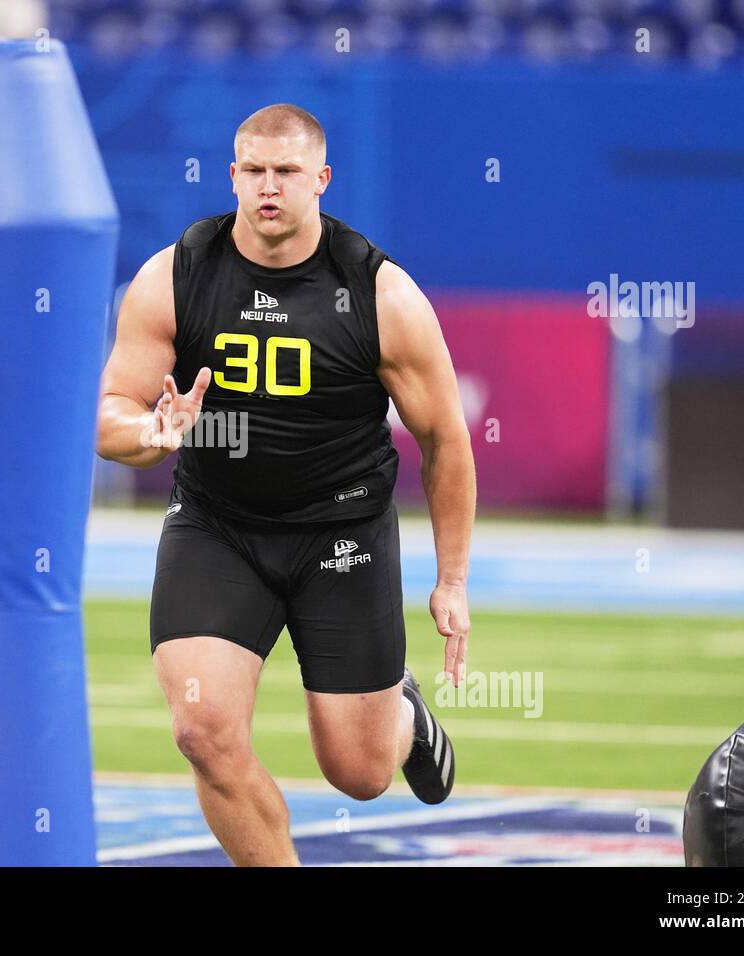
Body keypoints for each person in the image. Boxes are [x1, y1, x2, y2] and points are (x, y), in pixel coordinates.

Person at [96, 103, 476, 866]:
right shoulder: (175, 274)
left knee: (360, 773)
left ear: (322, 180)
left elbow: (445, 438)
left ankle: (399, 712)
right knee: (202, 732)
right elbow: (110, 422)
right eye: (255, 172)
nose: (270, 188)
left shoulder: (379, 292)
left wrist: (452, 580)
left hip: (343, 532)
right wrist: (154, 433)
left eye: (288, 172)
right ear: (232, 177)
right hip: (218, 523)